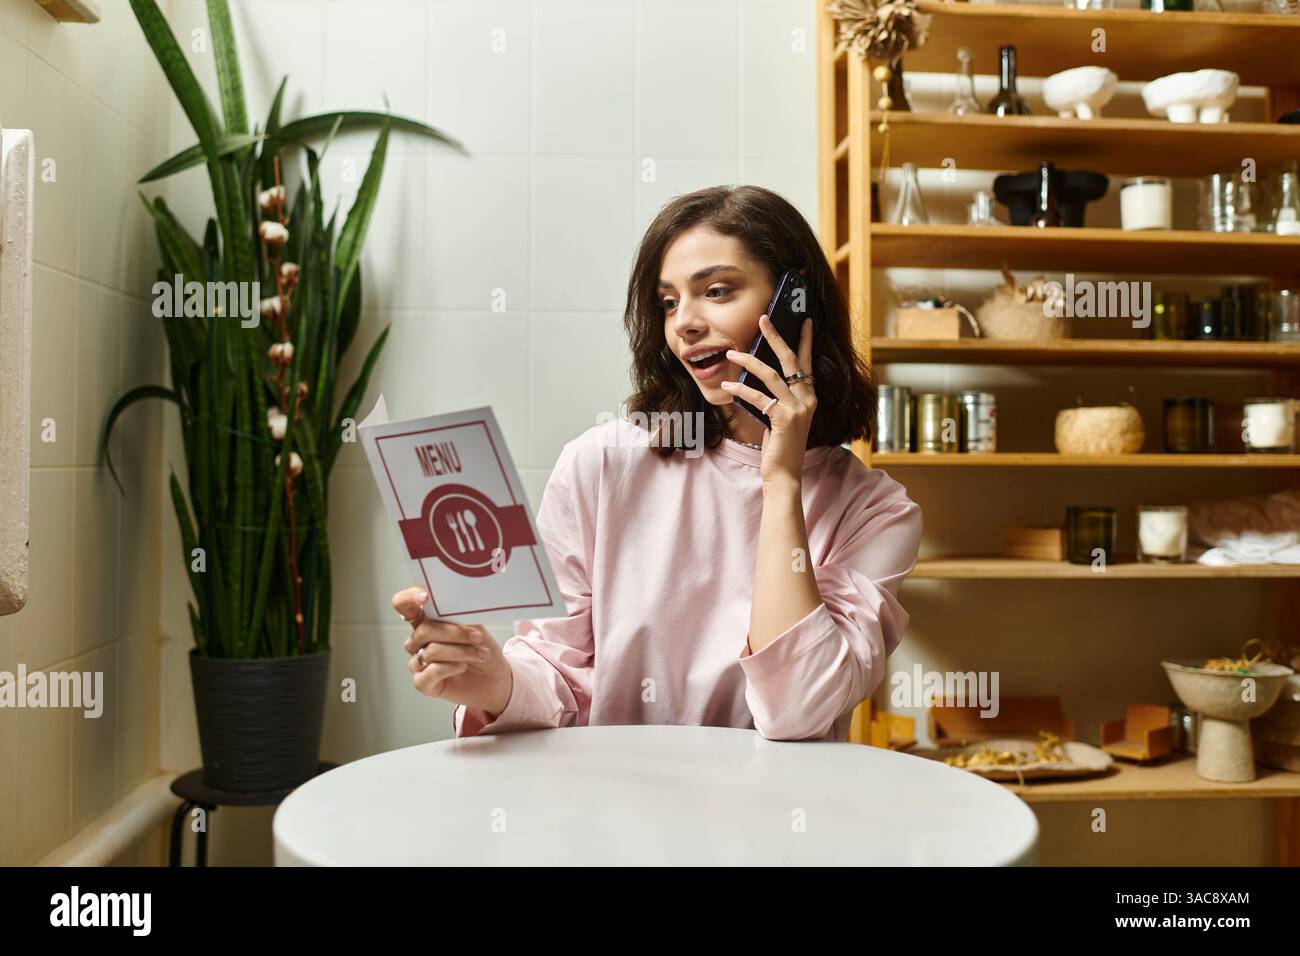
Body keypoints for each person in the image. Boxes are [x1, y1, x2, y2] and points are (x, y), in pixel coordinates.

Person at [392, 184, 921, 742]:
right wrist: (491, 680)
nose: (684, 324)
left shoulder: (878, 512)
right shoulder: (599, 464)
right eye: (669, 302)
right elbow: (558, 676)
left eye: (716, 291)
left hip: (776, 818)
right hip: (614, 812)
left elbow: (796, 710)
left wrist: (782, 480)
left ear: (795, 305)